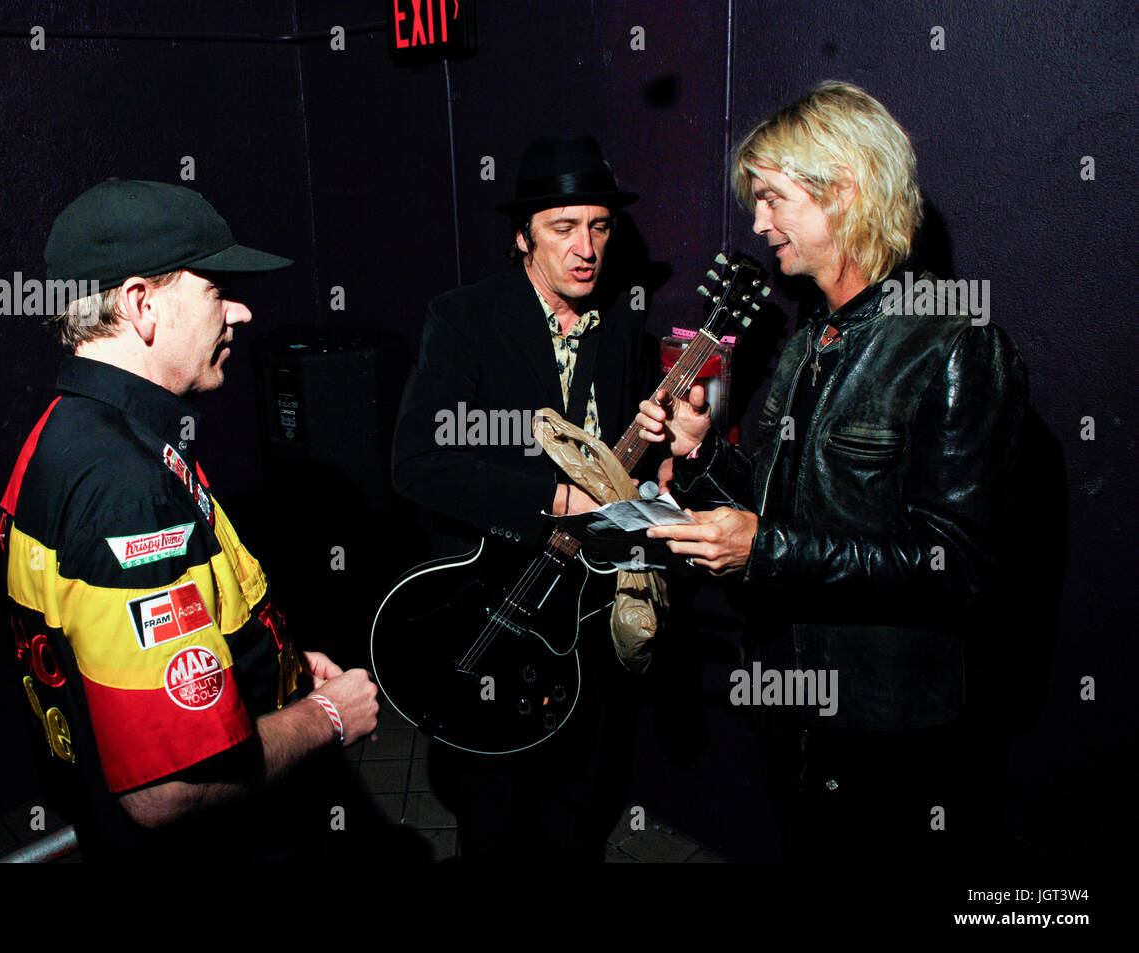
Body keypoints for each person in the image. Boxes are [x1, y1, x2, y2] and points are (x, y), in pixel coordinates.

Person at [639, 82, 1028, 860]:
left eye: (774, 199)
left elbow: (956, 570)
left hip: (887, 731)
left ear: (844, 190)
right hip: (792, 705)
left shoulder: (954, 344)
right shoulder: (808, 337)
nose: (759, 223)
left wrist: (766, 549)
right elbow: (778, 507)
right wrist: (701, 450)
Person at [0, 178, 380, 861]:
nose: (239, 312)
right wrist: (325, 717)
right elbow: (168, 786)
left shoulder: (75, 433)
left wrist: (282, 675)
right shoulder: (121, 483)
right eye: (215, 289)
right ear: (140, 304)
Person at [391, 135, 656, 861]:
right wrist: (552, 501)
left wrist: (679, 442)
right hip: (497, 602)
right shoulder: (465, 318)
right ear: (522, 237)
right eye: (563, 228)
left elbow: (625, 463)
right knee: (498, 819)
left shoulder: (624, 321)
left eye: (599, 226)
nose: (587, 247)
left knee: (585, 807)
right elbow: (416, 464)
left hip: (592, 614)